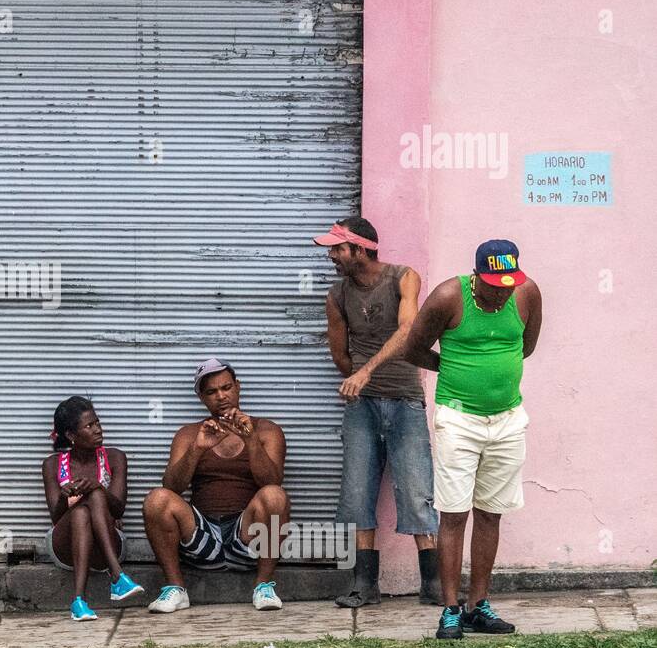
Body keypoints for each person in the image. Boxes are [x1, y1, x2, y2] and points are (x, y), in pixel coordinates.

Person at [384, 240, 542, 639]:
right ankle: (450, 609)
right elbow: (412, 347)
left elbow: (526, 345)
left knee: (491, 511)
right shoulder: (448, 297)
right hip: (458, 419)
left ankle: (479, 606)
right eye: (493, 285)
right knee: (454, 513)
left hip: (507, 418)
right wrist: (451, 365)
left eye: (508, 283)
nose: (501, 291)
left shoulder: (526, 293)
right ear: (476, 276)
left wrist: (493, 369)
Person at [314, 217, 441, 608]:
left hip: (404, 400)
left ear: (361, 249)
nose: (332, 256)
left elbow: (408, 333)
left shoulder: (404, 278)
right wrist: (356, 377)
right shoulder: (337, 296)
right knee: (356, 493)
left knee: (418, 491)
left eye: (338, 248)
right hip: (361, 407)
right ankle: (364, 584)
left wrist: (367, 371)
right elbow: (339, 353)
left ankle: (433, 583)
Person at [142, 359, 290, 613]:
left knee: (274, 495)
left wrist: (251, 440)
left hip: (246, 538)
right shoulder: (189, 434)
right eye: (211, 392)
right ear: (201, 397)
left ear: (238, 387)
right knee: (157, 498)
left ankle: (264, 586)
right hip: (202, 540)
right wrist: (197, 449)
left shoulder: (267, 430)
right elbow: (172, 487)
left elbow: (272, 483)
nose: (221, 396)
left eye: (226, 387)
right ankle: (176, 589)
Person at [42, 396, 144, 620]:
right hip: (66, 547)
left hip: (107, 543)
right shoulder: (53, 465)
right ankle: (117, 576)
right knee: (79, 510)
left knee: (88, 502)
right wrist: (63, 496)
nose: (98, 429)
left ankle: (78, 601)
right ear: (71, 435)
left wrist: (98, 488)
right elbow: (56, 517)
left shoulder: (115, 458)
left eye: (97, 422)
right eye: (89, 426)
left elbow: (118, 511)